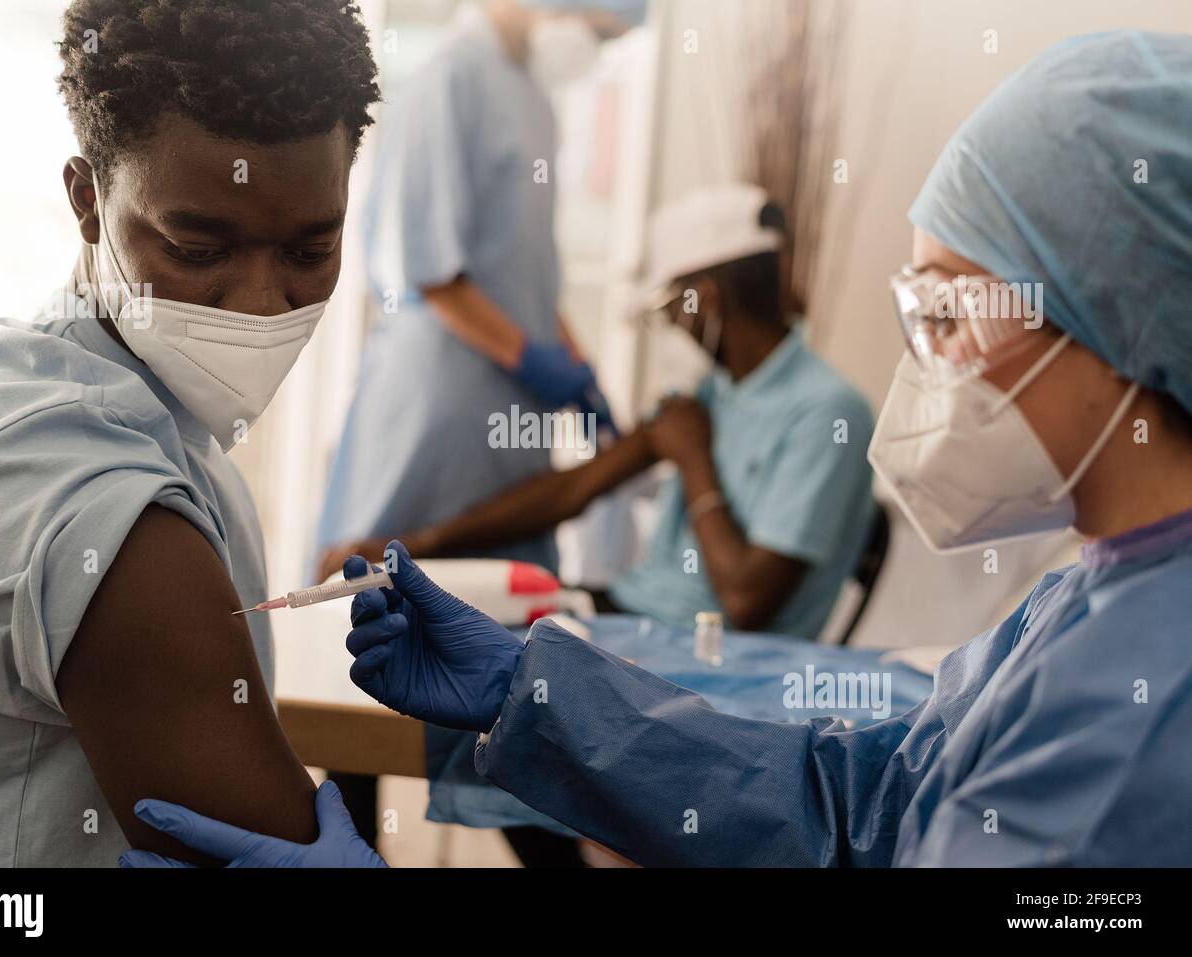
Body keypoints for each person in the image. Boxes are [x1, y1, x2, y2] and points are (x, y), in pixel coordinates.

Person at [124, 31, 1192, 868]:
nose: (929, 363)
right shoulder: (1090, 598)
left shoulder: (1133, 733)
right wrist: (523, 686)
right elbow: (866, 805)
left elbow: (756, 602)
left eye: (952, 312)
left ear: (1122, 311)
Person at [0, 0, 382, 866]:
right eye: (198, 249)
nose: (262, 304)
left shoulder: (106, 399)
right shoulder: (97, 506)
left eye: (312, 251)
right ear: (87, 199)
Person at [318, 184, 877, 639]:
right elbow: (572, 490)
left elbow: (746, 599)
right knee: (398, 615)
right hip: (622, 614)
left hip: (695, 649)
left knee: (447, 658)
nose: (673, 328)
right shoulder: (716, 392)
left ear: (703, 299)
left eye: (669, 309)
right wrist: (415, 545)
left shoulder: (829, 414)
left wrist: (695, 460)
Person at [312, 0, 643, 583]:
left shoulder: (536, 102)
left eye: (610, 39)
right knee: (381, 592)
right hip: (444, 397)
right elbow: (430, 270)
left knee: (503, 604)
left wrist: (576, 364)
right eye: (593, 26)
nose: (592, 45)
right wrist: (528, 356)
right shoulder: (450, 79)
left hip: (512, 399)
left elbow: (527, 269)